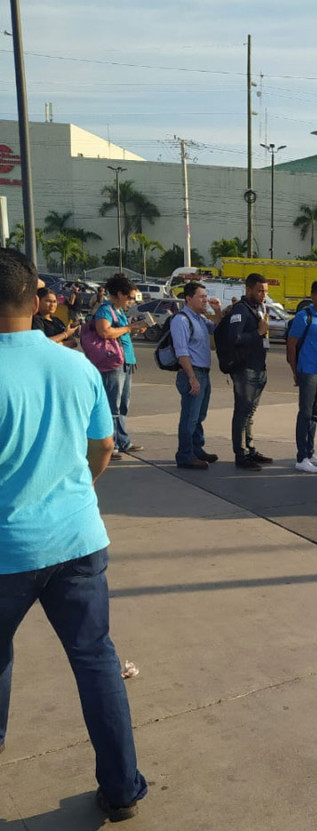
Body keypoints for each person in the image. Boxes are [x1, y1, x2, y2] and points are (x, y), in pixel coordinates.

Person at [0, 248, 147, 823]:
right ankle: (121, 789)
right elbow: (103, 447)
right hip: (78, 540)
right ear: (38, 301)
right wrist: (75, 488)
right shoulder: (78, 367)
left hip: (8, 551)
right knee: (95, 661)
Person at [93, 274, 148, 460]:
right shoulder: (106, 310)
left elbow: (121, 334)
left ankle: (122, 440)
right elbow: (104, 331)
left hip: (125, 362)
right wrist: (128, 329)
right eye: (129, 297)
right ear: (119, 294)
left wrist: (134, 330)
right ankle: (112, 443)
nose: (131, 302)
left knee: (123, 404)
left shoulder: (119, 312)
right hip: (113, 363)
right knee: (112, 405)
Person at [171, 281, 223, 469]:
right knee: (189, 416)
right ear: (188, 298)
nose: (205, 300)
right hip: (192, 372)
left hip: (203, 372)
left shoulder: (199, 319)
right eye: (201, 297)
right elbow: (182, 351)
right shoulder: (182, 320)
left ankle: (196, 449)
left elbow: (214, 327)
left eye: (205, 296)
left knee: (199, 415)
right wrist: (192, 377)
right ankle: (185, 455)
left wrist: (217, 311)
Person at [225, 274, 273, 471]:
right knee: (242, 412)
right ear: (249, 290)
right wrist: (258, 333)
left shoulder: (258, 309)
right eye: (260, 291)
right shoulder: (241, 310)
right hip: (245, 369)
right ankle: (240, 454)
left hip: (259, 367)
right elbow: (234, 337)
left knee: (250, 412)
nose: (263, 295)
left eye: (266, 291)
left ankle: (250, 448)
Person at [287, 281, 317, 473]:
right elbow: (291, 345)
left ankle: (310, 452)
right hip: (307, 370)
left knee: (315, 413)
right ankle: (301, 457)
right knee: (305, 413)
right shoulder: (303, 317)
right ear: (313, 297)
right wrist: (295, 371)